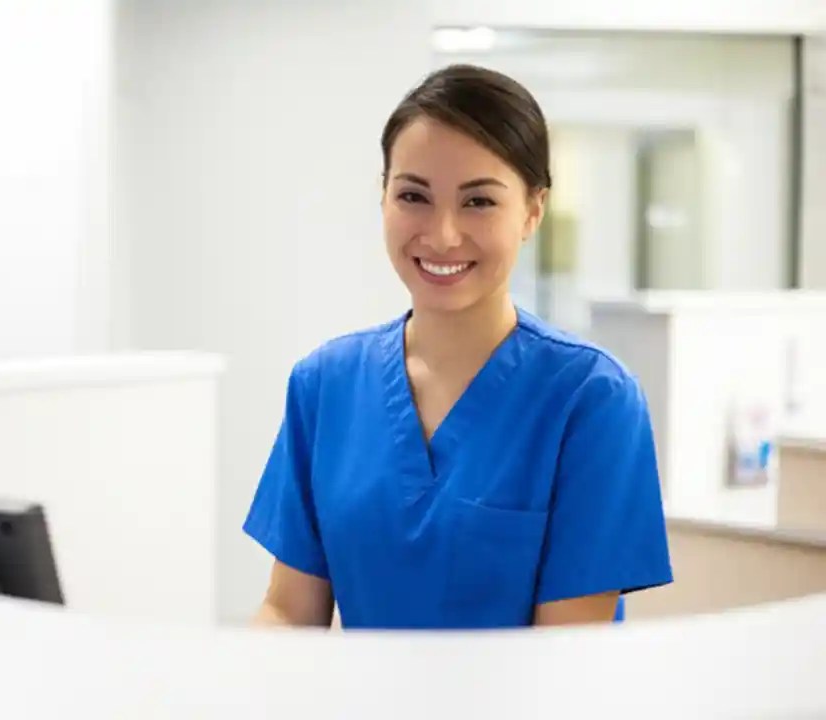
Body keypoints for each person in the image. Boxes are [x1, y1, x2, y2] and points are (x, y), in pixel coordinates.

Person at [243, 64, 673, 630]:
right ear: (383, 198)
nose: (442, 234)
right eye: (414, 195)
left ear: (533, 210)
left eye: (478, 202)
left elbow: (572, 653)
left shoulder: (591, 401)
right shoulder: (325, 386)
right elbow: (289, 610)